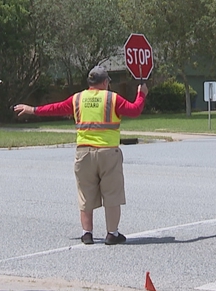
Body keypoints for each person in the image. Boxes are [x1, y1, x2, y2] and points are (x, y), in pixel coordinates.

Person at [13, 66, 148, 245]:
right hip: (108, 152)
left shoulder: (77, 98)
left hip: (84, 153)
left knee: (85, 194)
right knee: (112, 195)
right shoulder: (112, 98)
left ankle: (87, 233)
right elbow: (135, 110)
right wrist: (142, 94)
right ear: (105, 82)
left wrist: (33, 109)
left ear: (89, 83)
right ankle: (112, 233)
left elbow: (56, 108)